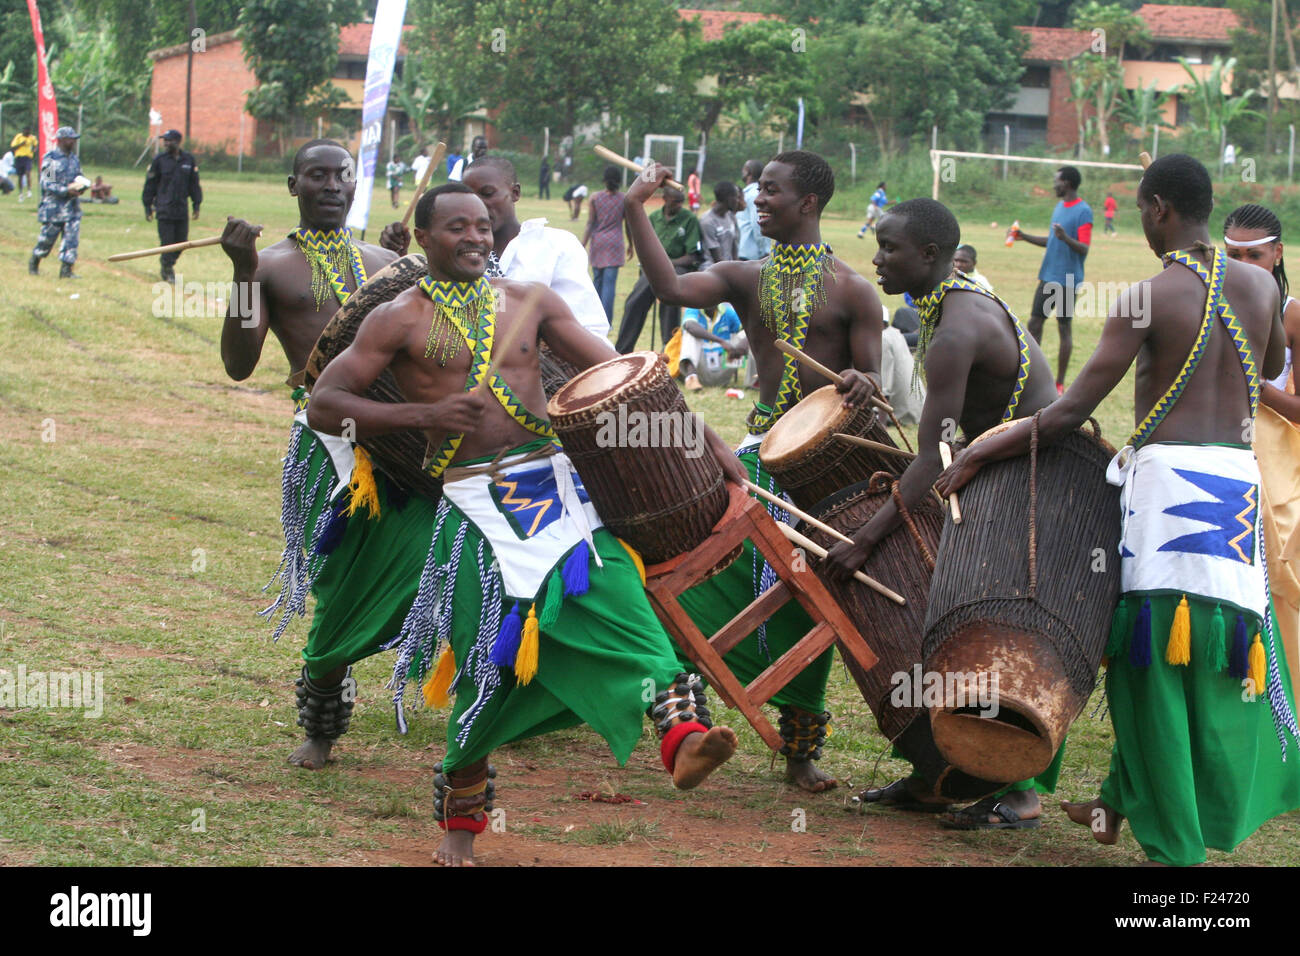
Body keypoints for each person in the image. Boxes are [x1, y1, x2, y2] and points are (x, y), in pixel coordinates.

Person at [306, 182, 745, 865]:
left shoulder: (532, 302)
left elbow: (624, 370)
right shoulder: (397, 319)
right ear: (422, 238)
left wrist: (710, 444)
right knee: (487, 664)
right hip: (475, 509)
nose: (476, 238)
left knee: (623, 601)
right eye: (457, 227)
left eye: (483, 226)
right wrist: (421, 417)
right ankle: (460, 831)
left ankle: (681, 737)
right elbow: (326, 403)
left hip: (556, 488)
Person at [938, 154, 1300, 866]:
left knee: (1149, 670)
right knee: (1222, 662)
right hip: (1236, 486)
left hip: (1168, 498)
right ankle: (1119, 794)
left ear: (1159, 208)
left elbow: (1071, 409)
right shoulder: (1261, 287)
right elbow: (1272, 361)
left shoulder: (1147, 295)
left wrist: (980, 452)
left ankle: (1174, 856)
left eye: (1140, 209)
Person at [626, 152, 883, 791]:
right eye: (757, 189)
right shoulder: (746, 276)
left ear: (810, 204)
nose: (757, 199)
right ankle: (689, 710)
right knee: (696, 576)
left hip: (825, 474)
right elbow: (672, 291)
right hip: (756, 461)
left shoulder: (854, 290)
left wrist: (862, 382)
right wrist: (635, 207)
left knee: (805, 599)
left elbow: (874, 382)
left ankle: (800, 752)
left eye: (771, 191)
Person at [824, 198, 1059, 824]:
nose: (876, 259)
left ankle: (1019, 790)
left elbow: (931, 456)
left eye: (890, 248)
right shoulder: (948, 305)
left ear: (929, 255)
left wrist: (866, 540)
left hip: (1029, 486)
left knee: (996, 635)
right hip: (996, 475)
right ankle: (945, 775)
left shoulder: (955, 329)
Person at [219, 139, 436, 771]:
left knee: (429, 550)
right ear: (294, 186)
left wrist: (405, 265)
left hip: (400, 436)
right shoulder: (272, 266)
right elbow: (237, 364)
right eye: (318, 176)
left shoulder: (382, 260)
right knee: (337, 576)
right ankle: (322, 724)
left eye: (342, 174)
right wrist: (241, 272)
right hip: (329, 445)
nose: (333, 186)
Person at [1224, 203, 1300, 691]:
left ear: (1276, 254)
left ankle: (1285, 682)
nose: (1242, 264)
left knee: (1278, 571)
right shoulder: (1208, 302)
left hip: (1277, 461)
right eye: (1232, 254)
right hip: (1217, 450)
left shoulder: (1293, 315)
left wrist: (1254, 381)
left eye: (1253, 255)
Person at [1010, 165, 1092, 395]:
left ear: (1066, 183)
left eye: (1056, 180)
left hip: (1067, 280)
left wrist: (1065, 237)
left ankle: (1059, 383)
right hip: (1048, 277)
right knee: (1035, 323)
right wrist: (1023, 236)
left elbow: (1084, 248)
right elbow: (1052, 241)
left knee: (1064, 328)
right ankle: (1032, 375)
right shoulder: (1059, 207)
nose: (1053, 184)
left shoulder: (1083, 211)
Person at [614, 186, 701, 353]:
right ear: (665, 199)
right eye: (676, 202)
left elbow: (692, 256)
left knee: (670, 303)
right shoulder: (653, 218)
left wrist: (667, 265)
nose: (679, 205)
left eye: (681, 202)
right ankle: (622, 352)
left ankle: (670, 353)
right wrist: (656, 266)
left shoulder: (689, 219)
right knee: (634, 302)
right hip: (653, 270)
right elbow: (643, 247)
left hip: (678, 269)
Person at [143, 129, 203, 283]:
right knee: (167, 243)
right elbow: (150, 184)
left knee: (182, 242)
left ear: (178, 142)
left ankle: (167, 263)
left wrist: (196, 204)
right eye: (165, 140)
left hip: (181, 209)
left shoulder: (188, 160)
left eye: (169, 140)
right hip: (164, 209)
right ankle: (167, 269)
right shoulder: (159, 160)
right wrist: (147, 205)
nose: (166, 143)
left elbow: (194, 184)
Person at [28, 127, 85, 279]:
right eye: (69, 139)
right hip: (54, 208)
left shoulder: (74, 159)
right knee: (47, 240)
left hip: (72, 208)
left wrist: (81, 186)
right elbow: (47, 184)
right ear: (60, 140)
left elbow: (79, 176)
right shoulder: (51, 158)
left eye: (74, 139)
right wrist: (65, 190)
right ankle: (35, 261)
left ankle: (66, 270)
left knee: (71, 240)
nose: (73, 142)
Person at [582, 165, 631, 322]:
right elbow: (628, 225)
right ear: (618, 181)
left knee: (597, 281)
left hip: (598, 242)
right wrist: (632, 244)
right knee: (609, 284)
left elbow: (590, 223)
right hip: (615, 243)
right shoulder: (624, 199)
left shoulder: (595, 198)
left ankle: (592, 317)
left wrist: (582, 243)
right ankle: (606, 321)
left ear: (604, 181)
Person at [679, 301, 746, 390]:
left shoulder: (728, 312)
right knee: (690, 332)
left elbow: (748, 331)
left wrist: (740, 349)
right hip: (700, 371)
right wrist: (721, 341)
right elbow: (690, 326)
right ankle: (691, 378)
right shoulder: (694, 308)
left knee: (745, 334)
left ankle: (755, 380)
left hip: (724, 369)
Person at [699, 180, 742, 267]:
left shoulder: (731, 216)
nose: (738, 201)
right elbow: (717, 259)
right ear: (728, 198)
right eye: (736, 197)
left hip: (728, 267)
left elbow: (734, 248)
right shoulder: (708, 221)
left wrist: (738, 267)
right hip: (712, 269)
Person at [736, 159, 771, 261]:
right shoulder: (747, 193)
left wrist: (763, 250)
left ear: (748, 172)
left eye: (743, 169)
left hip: (751, 255)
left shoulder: (754, 195)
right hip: (742, 251)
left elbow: (758, 224)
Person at [11, 126, 37, 199]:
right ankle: (20, 193)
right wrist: (21, 144)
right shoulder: (18, 137)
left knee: (28, 173)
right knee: (20, 176)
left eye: (28, 132)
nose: (26, 133)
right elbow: (13, 147)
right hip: (19, 157)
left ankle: (29, 191)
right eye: (25, 131)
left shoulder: (32, 138)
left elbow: (35, 145)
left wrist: (34, 150)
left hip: (27, 157)